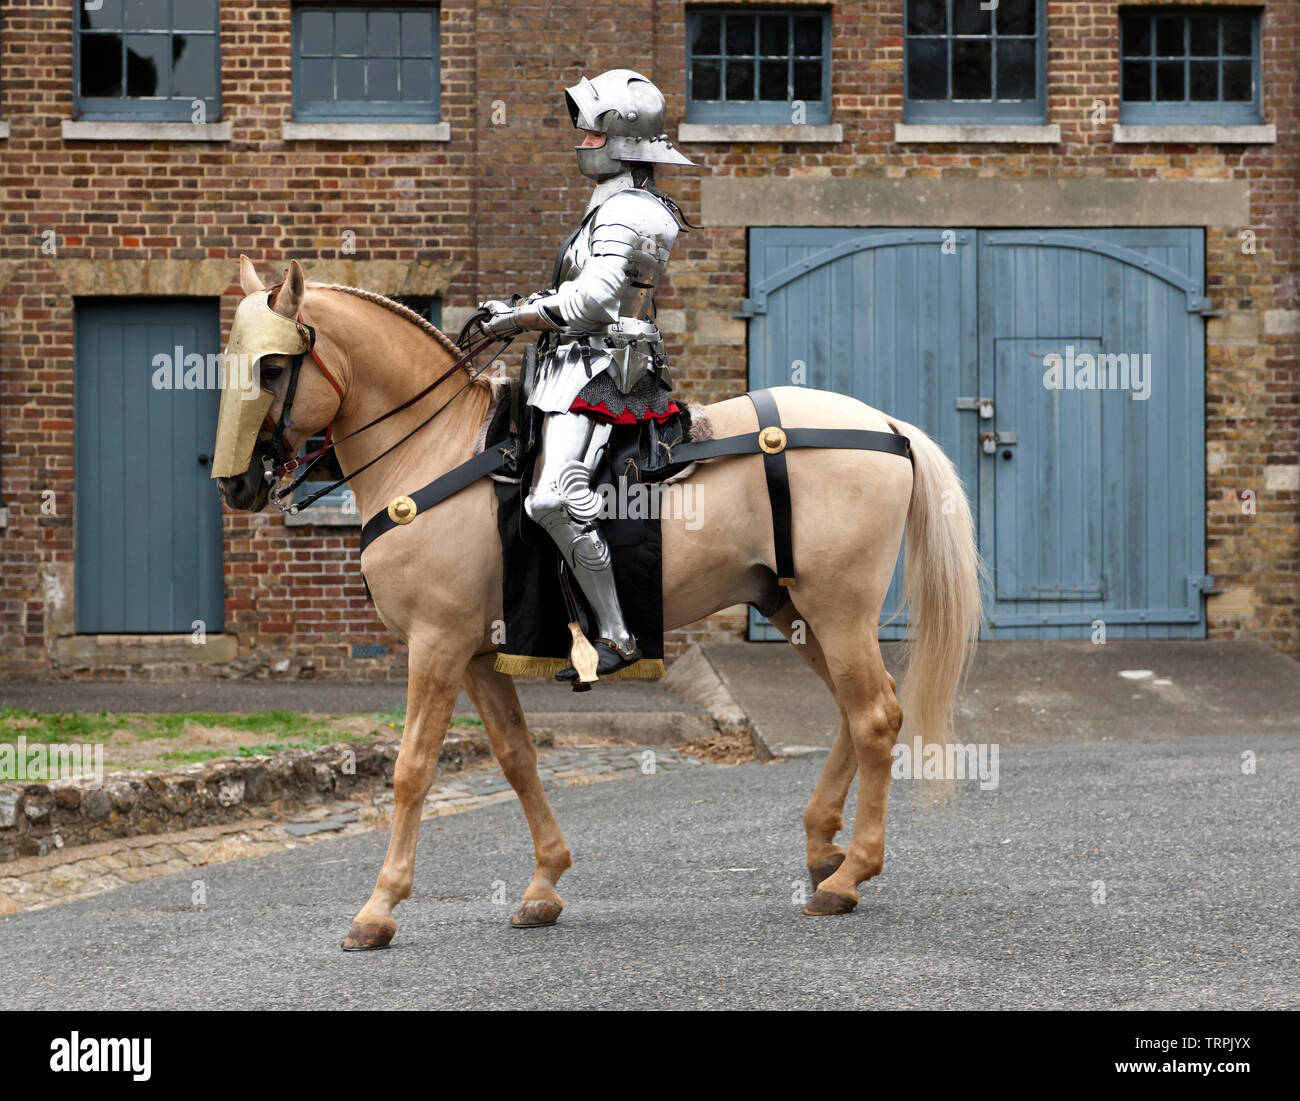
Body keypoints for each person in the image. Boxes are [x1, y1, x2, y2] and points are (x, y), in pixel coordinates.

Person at [476, 70, 696, 679]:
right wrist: (514, 308)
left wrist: (515, 320)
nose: (581, 140)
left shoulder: (629, 209)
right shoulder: (611, 204)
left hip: (602, 369)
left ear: (623, 141)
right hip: (566, 365)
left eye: (591, 133)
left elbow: (595, 304)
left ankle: (618, 635)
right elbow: (577, 291)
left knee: (551, 498)